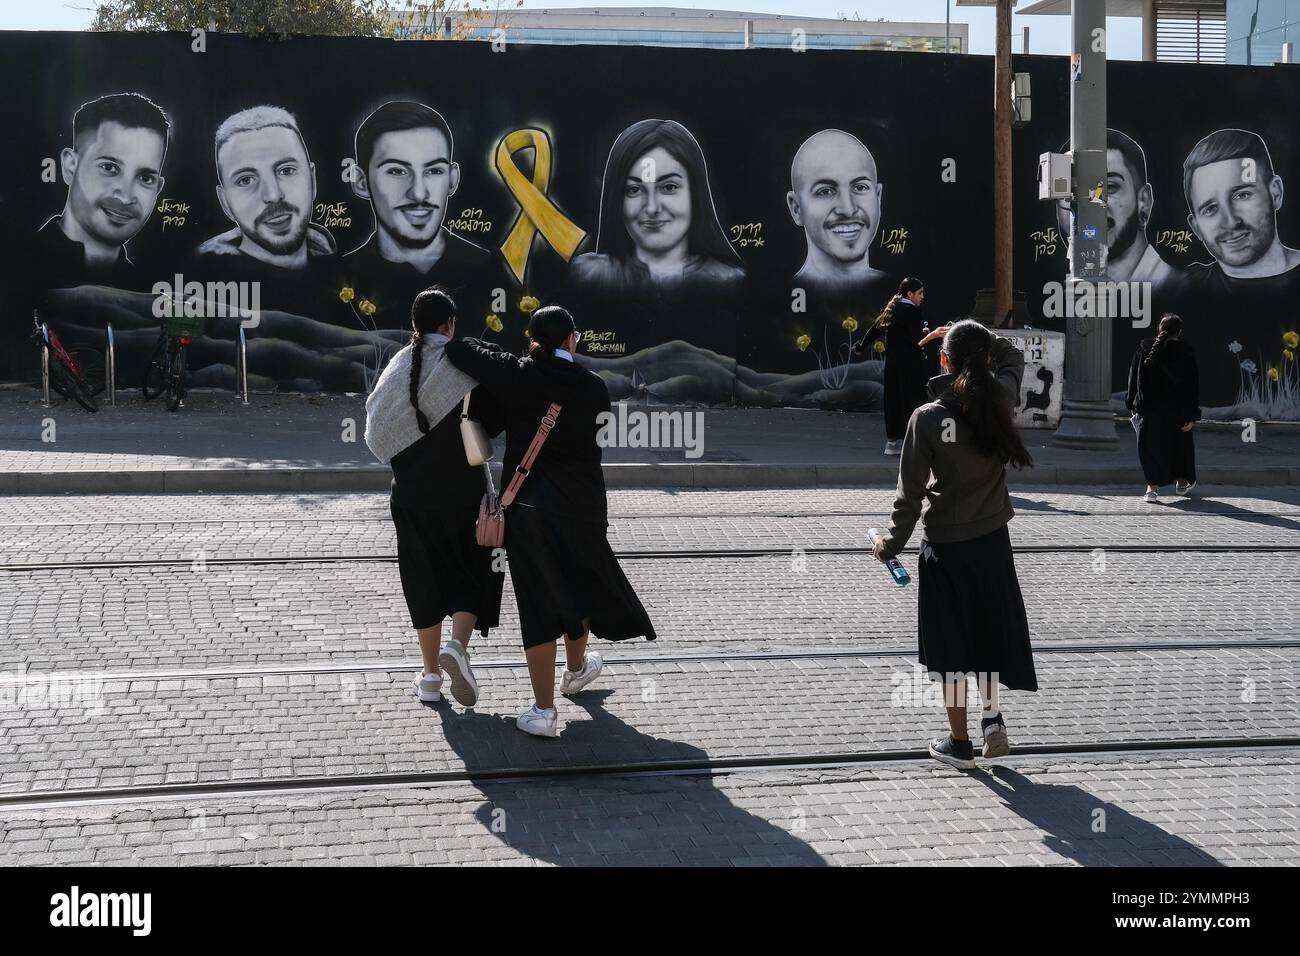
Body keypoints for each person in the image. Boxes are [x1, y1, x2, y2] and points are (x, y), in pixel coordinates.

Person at [443, 305, 657, 738]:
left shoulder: (518, 373)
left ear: (534, 339)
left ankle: (543, 711)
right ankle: (576, 668)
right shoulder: (595, 388)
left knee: (539, 602)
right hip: (583, 507)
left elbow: (464, 351)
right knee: (577, 587)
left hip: (529, 511)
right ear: (571, 340)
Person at [872, 318, 1038, 770]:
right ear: (984, 360)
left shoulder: (925, 419)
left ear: (943, 360)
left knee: (949, 645)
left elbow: (909, 496)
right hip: (992, 540)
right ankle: (992, 719)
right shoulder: (1001, 397)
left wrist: (889, 544)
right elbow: (1013, 357)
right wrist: (983, 336)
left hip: (945, 546)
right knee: (985, 630)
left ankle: (959, 742)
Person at [363, 287, 506, 707]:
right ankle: (457, 648)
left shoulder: (397, 366)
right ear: (449, 325)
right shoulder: (464, 368)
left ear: (414, 324)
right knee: (470, 569)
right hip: (463, 493)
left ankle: (429, 678)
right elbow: (495, 425)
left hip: (409, 496)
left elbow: (375, 430)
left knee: (421, 581)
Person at [342, 101, 493, 329]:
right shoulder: (345, 275)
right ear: (361, 182)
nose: (419, 193)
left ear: (452, 179)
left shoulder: (487, 269)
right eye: (396, 171)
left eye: (434, 171)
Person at [569, 119, 744, 292]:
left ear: (695, 194)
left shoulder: (731, 283)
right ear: (616, 200)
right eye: (634, 189)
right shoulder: (586, 277)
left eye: (669, 187)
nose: (652, 208)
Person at [36, 92, 170, 291]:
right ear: (70, 166)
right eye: (109, 168)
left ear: (157, 188)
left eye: (145, 178)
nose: (125, 197)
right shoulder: (11, 266)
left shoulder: (151, 296)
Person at [787, 129, 888, 295]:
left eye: (860, 187)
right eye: (825, 191)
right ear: (796, 208)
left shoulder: (900, 294)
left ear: (878, 198)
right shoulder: (780, 301)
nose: (848, 209)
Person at [1126, 313, 1200, 502]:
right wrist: (1191, 415)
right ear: (1179, 332)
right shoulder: (1186, 352)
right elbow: (1192, 386)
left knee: (1150, 448)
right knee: (1178, 448)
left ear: (1159, 329)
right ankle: (1182, 482)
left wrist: (1132, 404)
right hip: (1177, 411)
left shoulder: (1143, 350)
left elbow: (1133, 379)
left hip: (1148, 410)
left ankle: (1151, 489)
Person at [857, 277, 931, 455]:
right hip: (911, 366)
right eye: (920, 293)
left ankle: (892, 443)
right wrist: (929, 333)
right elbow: (917, 340)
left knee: (894, 401)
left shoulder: (893, 309)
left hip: (892, 366)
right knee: (914, 402)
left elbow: (874, 330)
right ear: (910, 294)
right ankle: (913, 444)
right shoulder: (913, 312)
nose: (922, 297)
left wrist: (860, 347)